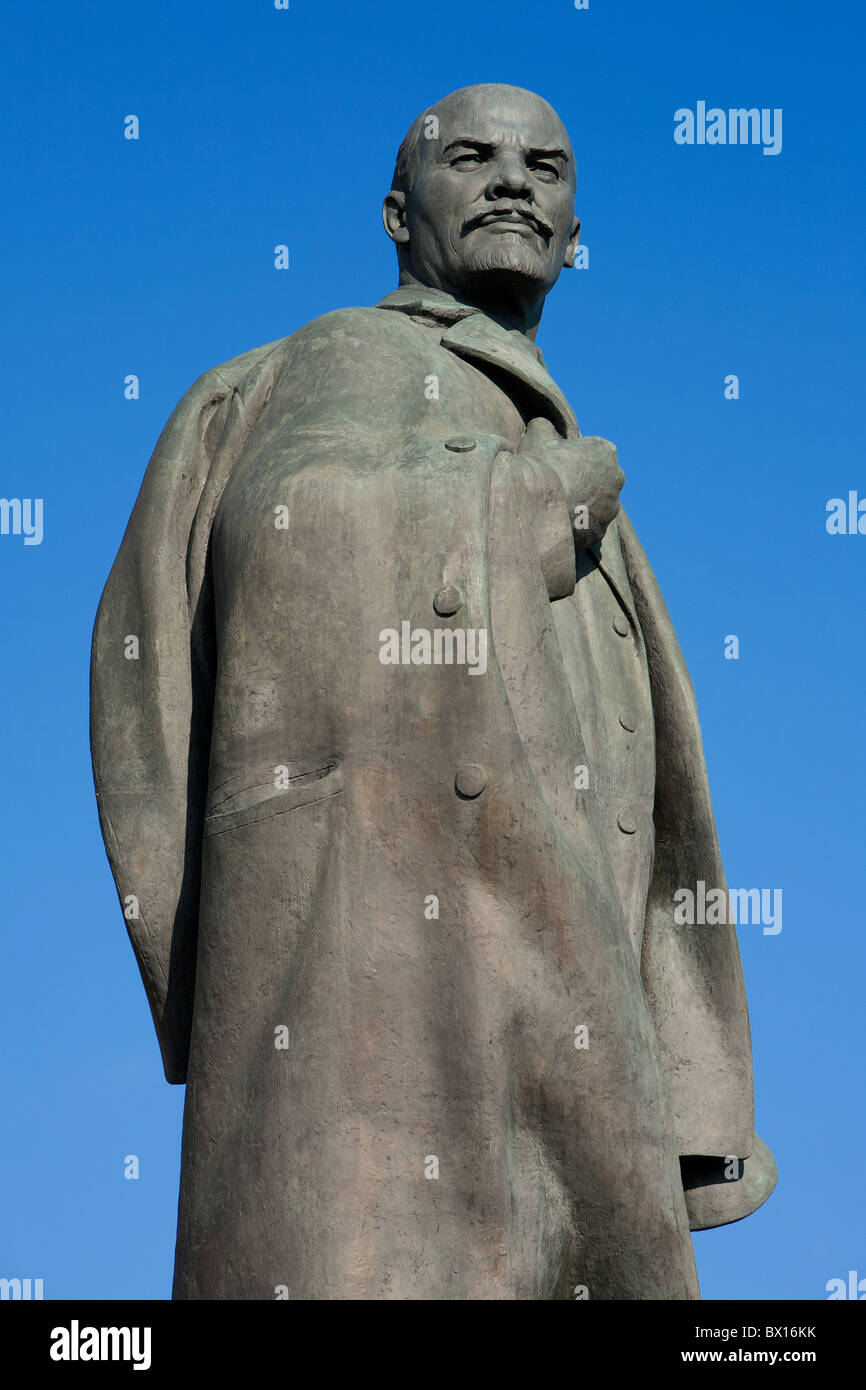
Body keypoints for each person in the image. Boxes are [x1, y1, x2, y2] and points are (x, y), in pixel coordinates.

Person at [90, 83, 776, 1300]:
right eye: (474, 158)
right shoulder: (349, 355)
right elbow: (293, 541)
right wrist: (526, 503)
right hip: (405, 1008)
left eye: (546, 167)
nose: (515, 180)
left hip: (546, 1011)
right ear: (400, 215)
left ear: (575, 232)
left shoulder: (522, 414)